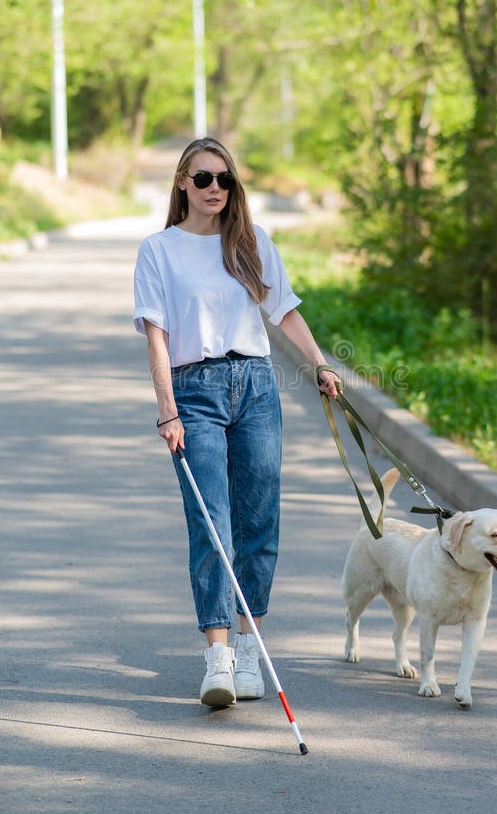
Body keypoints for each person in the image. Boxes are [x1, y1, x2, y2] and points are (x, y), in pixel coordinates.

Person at [133, 137, 340, 707]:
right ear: (182, 183)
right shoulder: (159, 250)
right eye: (203, 179)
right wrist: (167, 408)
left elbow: (284, 310)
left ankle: (251, 652)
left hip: (254, 386)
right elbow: (156, 333)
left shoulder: (250, 241)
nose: (215, 190)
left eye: (224, 180)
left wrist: (320, 366)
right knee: (212, 523)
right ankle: (218, 657)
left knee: (258, 523)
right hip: (193, 391)